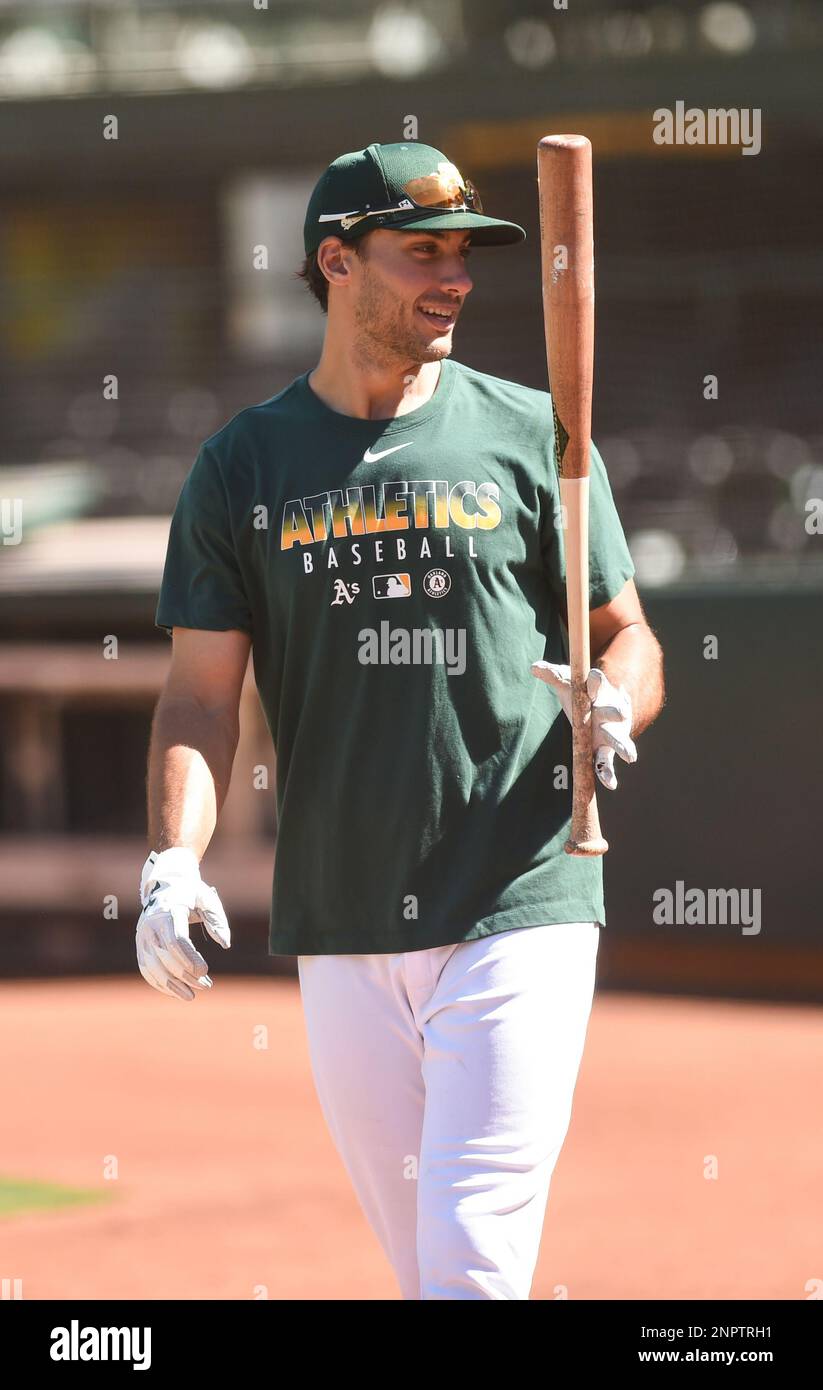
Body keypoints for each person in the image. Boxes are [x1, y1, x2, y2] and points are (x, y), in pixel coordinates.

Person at [140, 141, 665, 1300]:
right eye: (421, 251)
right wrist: (173, 859)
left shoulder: (536, 434)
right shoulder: (242, 467)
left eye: (467, 254)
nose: (456, 278)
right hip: (344, 916)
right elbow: (198, 693)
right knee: (420, 1262)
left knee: (470, 1259)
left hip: (518, 891)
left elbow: (628, 633)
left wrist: (616, 694)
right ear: (335, 262)